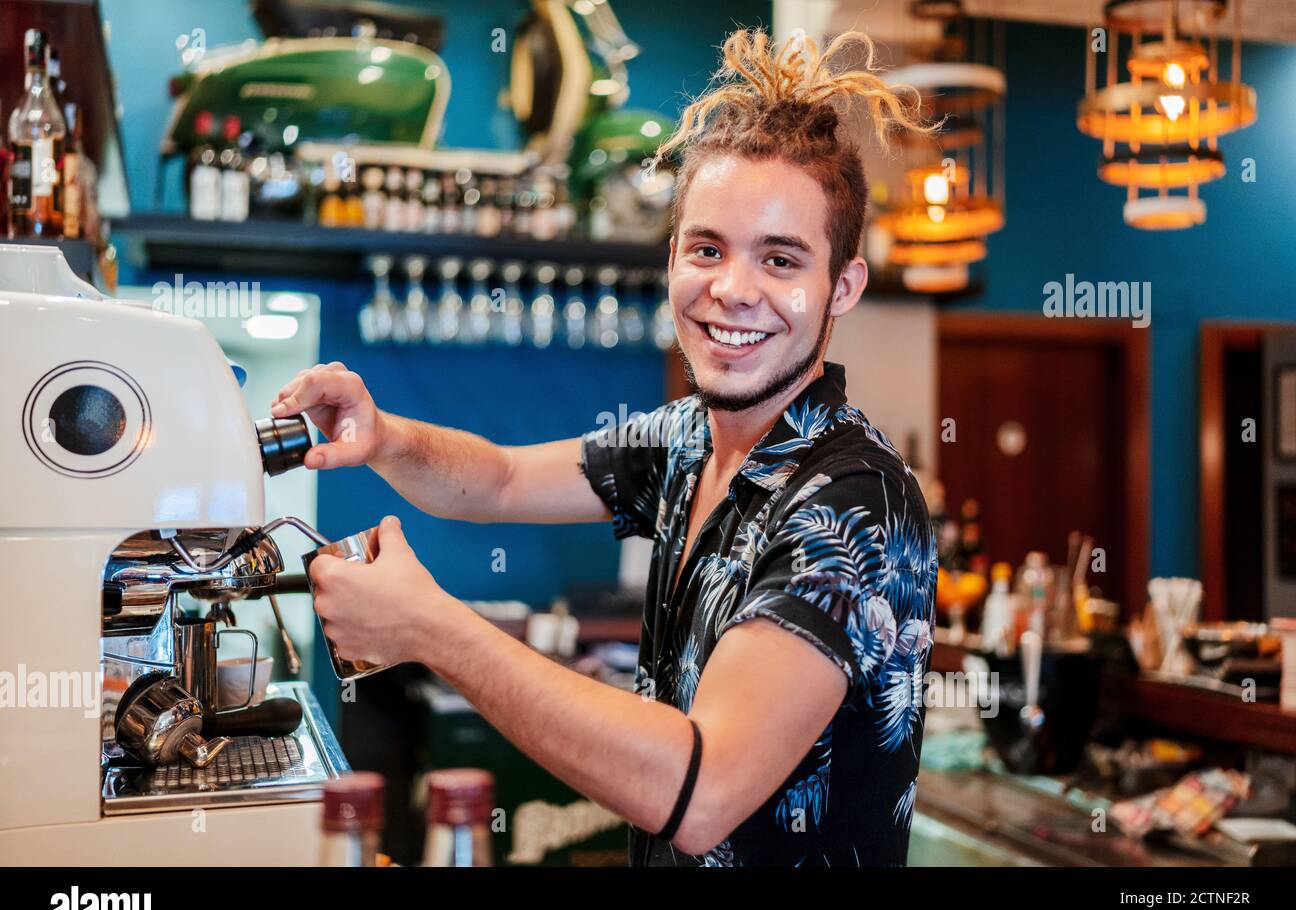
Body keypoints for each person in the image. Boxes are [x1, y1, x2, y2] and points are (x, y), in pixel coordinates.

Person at [272, 27, 938, 866]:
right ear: (671, 260)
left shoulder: (855, 501)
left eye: (780, 259)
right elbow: (503, 480)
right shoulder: (687, 438)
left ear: (842, 285)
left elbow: (697, 791)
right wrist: (384, 435)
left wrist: (431, 629)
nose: (733, 289)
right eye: (708, 249)